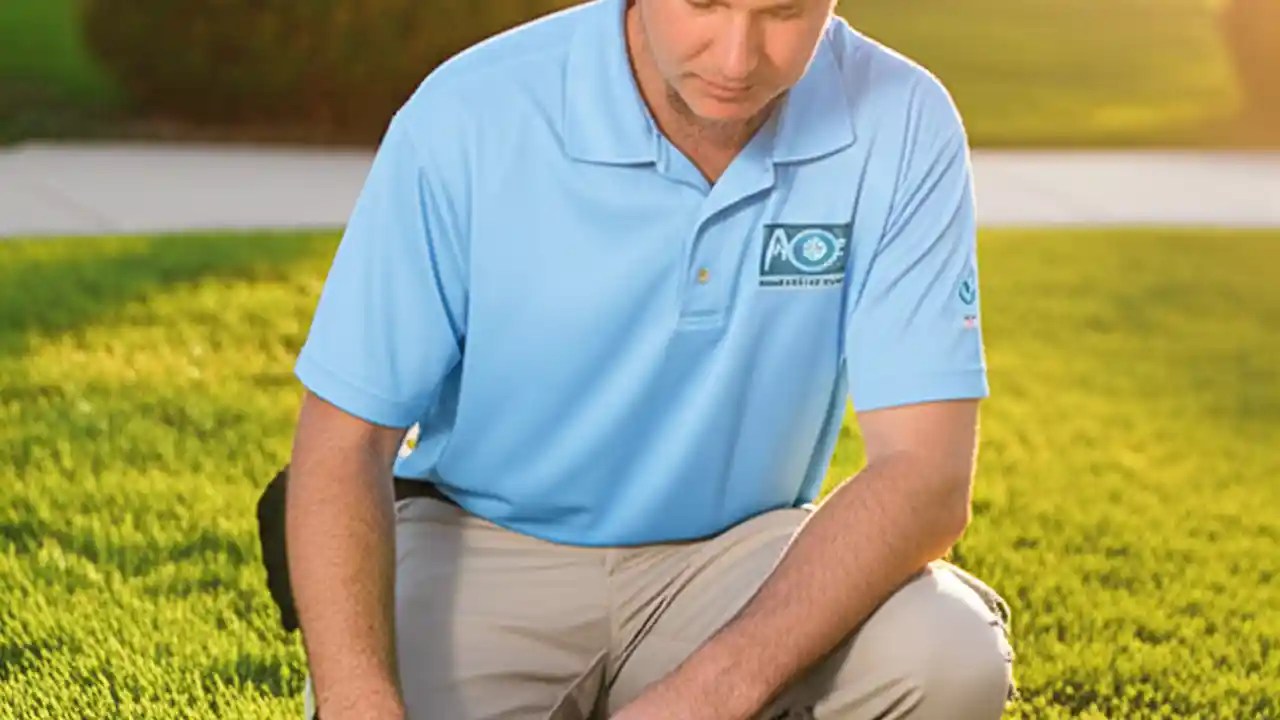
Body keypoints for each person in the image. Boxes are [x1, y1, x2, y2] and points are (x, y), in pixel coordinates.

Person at [278, 0, 1018, 717]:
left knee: (944, 656)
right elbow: (344, 444)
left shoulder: (902, 118)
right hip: (482, 547)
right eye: (703, 5)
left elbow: (924, 474)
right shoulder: (469, 113)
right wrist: (357, 703)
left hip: (734, 564)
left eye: (784, 14)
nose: (736, 59)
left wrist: (711, 694)